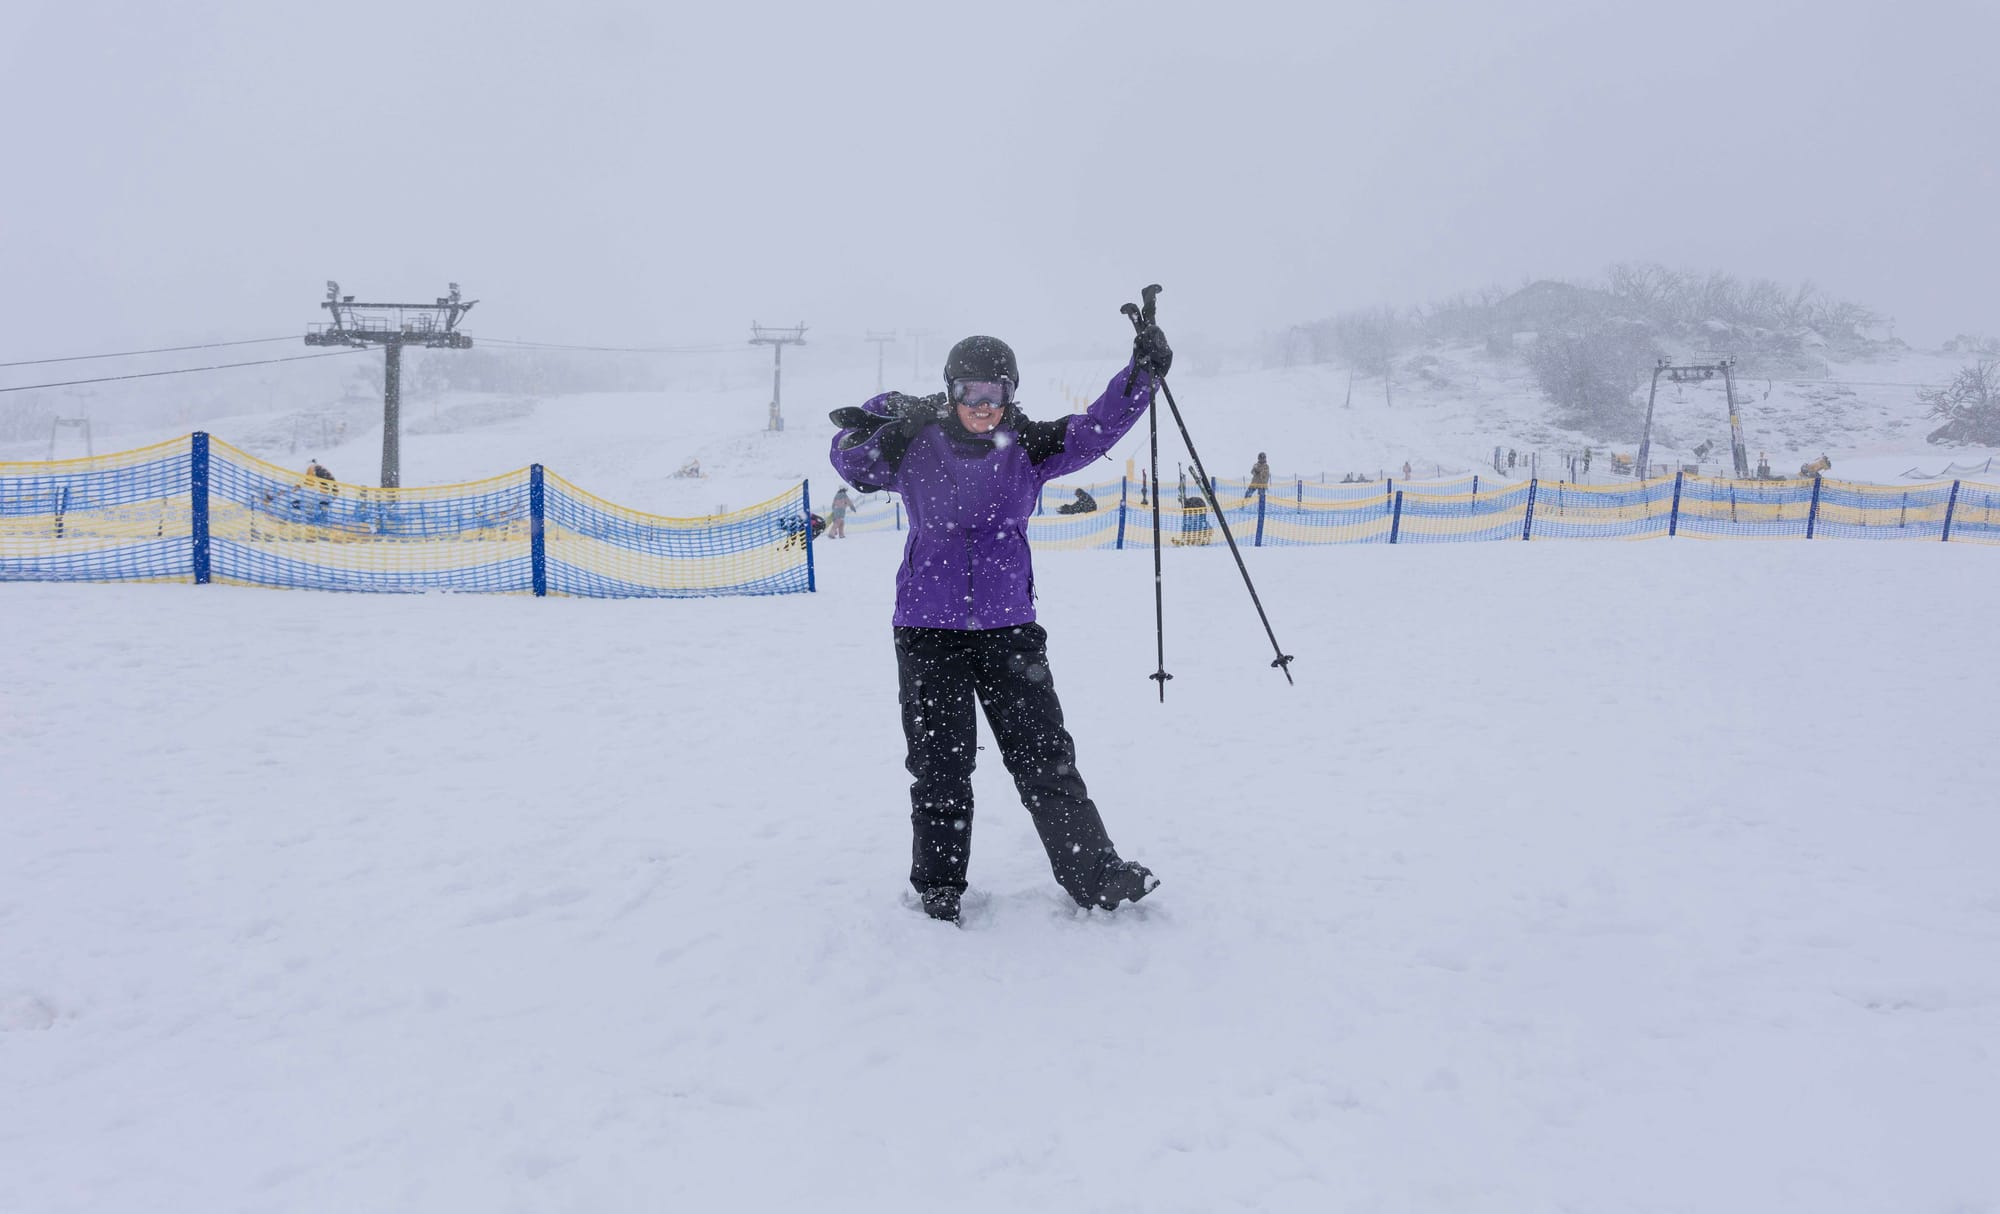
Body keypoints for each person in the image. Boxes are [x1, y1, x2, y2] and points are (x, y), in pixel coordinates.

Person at [827, 330, 1168, 925]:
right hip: (928, 630)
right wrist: (889, 416)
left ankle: (1094, 875)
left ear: (1011, 394)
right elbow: (850, 458)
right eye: (970, 392)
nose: (983, 405)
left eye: (996, 393)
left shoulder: (1029, 446)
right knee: (940, 764)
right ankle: (939, 885)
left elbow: (1095, 428)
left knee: (1046, 758)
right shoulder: (915, 443)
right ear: (951, 391)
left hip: (1008, 630)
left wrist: (1143, 376)